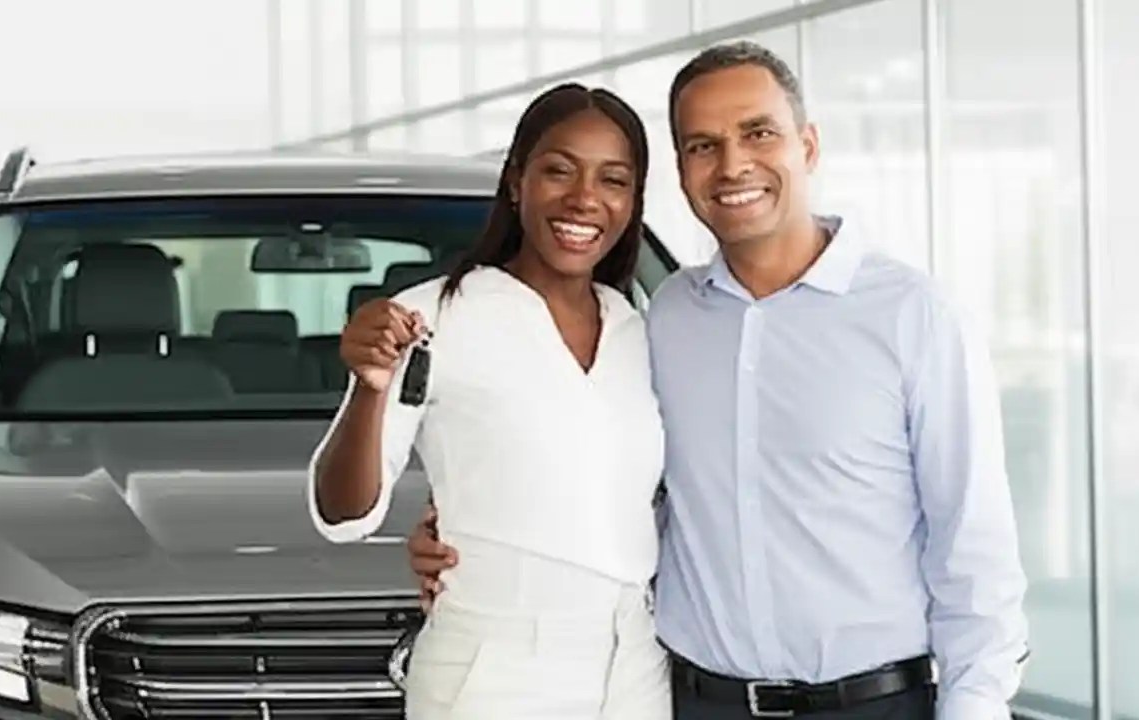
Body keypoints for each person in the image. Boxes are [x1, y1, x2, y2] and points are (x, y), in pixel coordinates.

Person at [407, 41, 1030, 720]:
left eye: (757, 132)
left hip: (875, 704)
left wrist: (975, 705)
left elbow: (974, 543)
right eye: (702, 145)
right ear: (681, 172)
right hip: (699, 701)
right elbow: (627, 483)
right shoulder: (666, 318)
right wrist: (479, 531)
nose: (732, 164)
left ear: (808, 146)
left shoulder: (915, 316)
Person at [308, 82, 671, 719]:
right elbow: (344, 513)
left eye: (613, 180)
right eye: (559, 170)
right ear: (514, 182)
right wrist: (369, 391)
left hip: (635, 662)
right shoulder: (431, 317)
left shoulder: (639, 330)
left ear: (633, 201)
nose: (585, 199)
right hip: (497, 665)